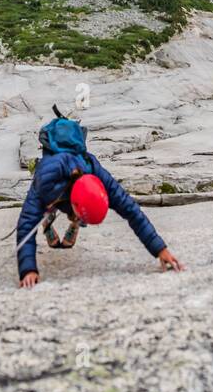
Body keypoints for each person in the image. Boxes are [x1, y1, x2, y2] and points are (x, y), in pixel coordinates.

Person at [17, 109, 184, 287]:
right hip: (54, 190)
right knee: (42, 208)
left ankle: (72, 219)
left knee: (79, 208)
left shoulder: (99, 176)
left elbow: (131, 210)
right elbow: (26, 223)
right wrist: (28, 270)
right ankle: (48, 218)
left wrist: (160, 249)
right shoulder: (45, 182)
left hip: (73, 191)